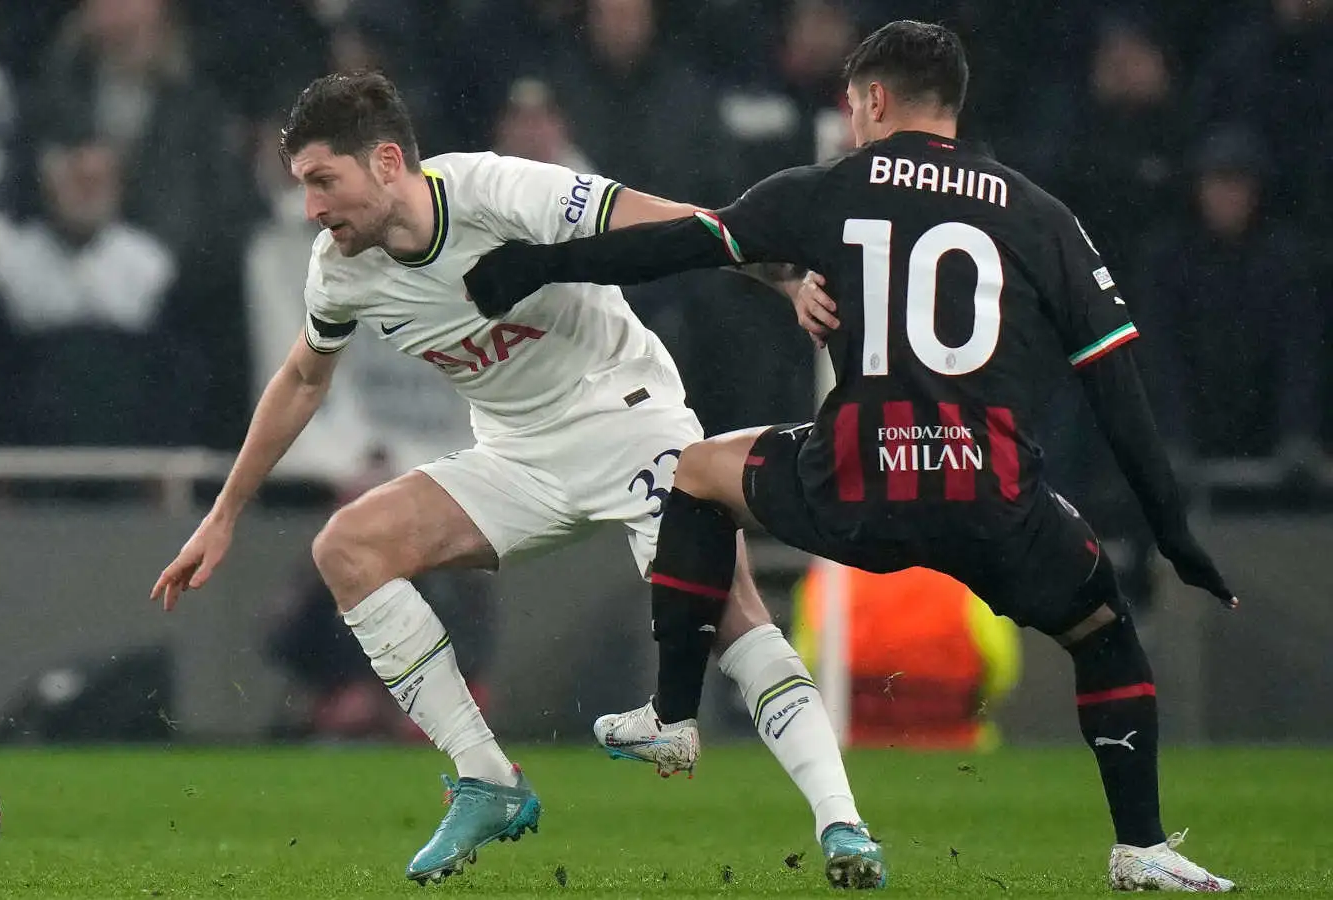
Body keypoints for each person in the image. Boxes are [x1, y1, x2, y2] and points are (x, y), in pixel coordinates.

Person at [465, 21, 1237, 892]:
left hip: (856, 484)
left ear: (872, 101)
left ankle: (673, 715)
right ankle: (1141, 847)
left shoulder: (830, 189)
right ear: (952, 102)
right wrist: (1172, 530)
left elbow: (676, 246)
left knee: (697, 473)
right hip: (993, 500)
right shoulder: (1037, 212)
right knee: (1104, 635)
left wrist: (536, 264)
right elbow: (1114, 381)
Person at [151, 72, 885, 888]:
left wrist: (781, 274)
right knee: (348, 550)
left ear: (388, 161)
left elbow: (667, 223)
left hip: (626, 415)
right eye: (304, 187)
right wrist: (222, 515)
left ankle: (843, 826)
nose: (314, 208)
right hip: (516, 456)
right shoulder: (341, 268)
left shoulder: (499, 191)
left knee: (733, 617)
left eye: (325, 181)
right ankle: (487, 779)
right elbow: (301, 379)